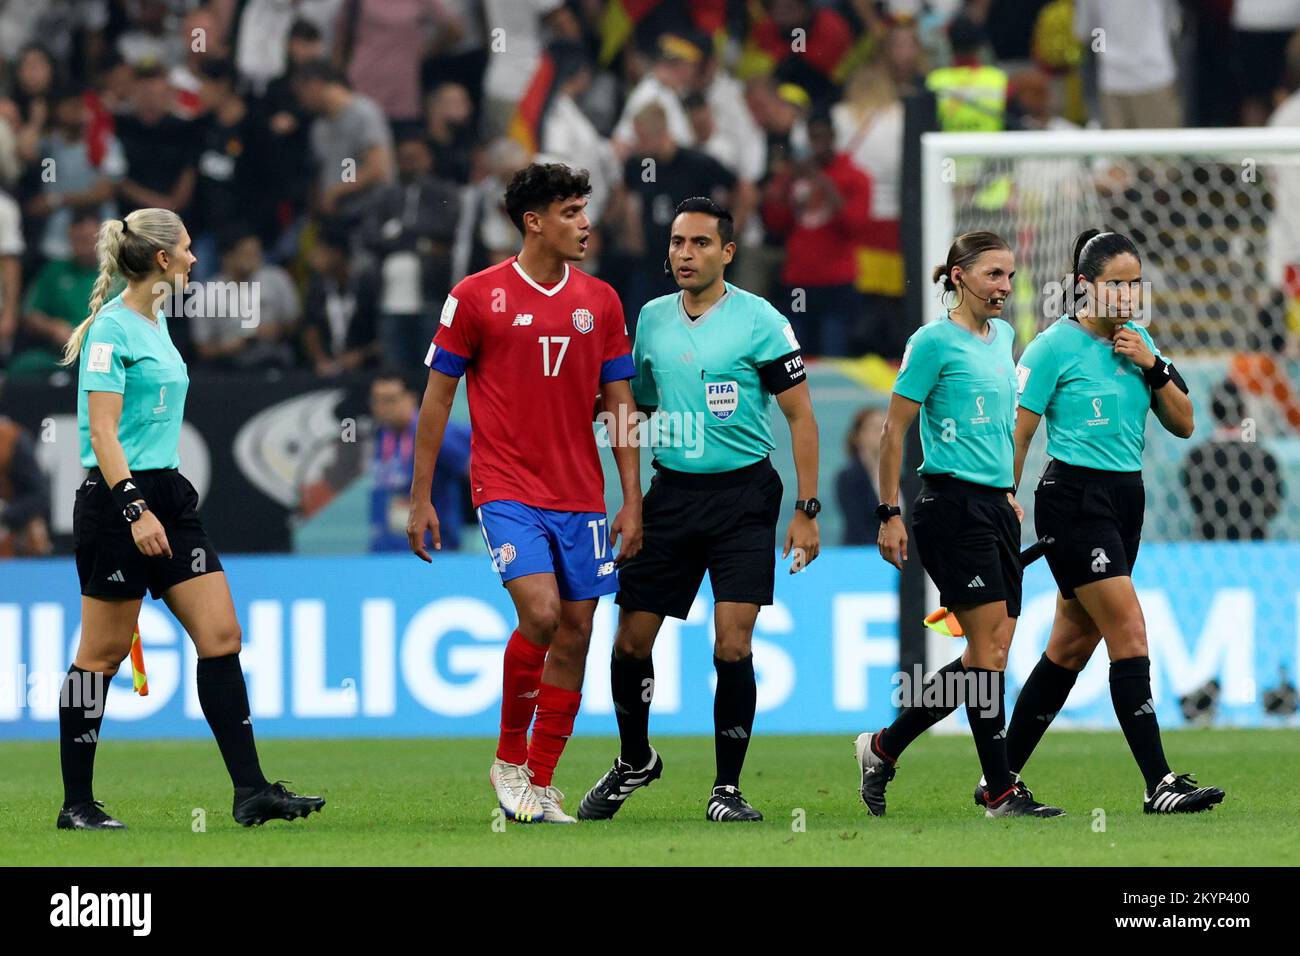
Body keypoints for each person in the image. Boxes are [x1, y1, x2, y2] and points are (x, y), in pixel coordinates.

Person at [55, 208, 324, 829]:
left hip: (171, 498)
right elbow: (100, 430)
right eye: (186, 249)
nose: (196, 259)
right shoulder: (110, 331)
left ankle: (251, 791)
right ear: (162, 260)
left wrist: (156, 502)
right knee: (100, 656)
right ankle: (77, 804)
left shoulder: (157, 322)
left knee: (222, 637)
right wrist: (133, 507)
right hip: (118, 501)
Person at [408, 163, 642, 824]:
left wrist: (632, 497)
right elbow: (436, 399)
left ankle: (538, 782)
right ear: (533, 222)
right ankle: (508, 761)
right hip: (506, 487)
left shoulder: (601, 302)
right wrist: (421, 497)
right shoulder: (476, 297)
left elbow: (619, 404)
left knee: (576, 632)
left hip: (581, 496)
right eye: (570, 212)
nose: (584, 223)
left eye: (584, 210)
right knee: (540, 614)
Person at [577, 197, 820, 824]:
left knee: (731, 646)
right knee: (630, 642)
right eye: (678, 242)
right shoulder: (652, 319)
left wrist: (806, 508)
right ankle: (635, 759)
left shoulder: (762, 320)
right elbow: (642, 406)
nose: (685, 254)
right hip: (673, 495)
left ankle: (727, 790)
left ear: (727, 253)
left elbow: (800, 416)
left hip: (744, 496)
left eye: (700, 244)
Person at [999, 228, 1224, 815]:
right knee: (1131, 631)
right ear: (1084, 287)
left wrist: (1154, 365)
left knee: (1070, 648)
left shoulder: (1139, 343)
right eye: (1115, 284)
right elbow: (1019, 432)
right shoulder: (1052, 347)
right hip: (1073, 500)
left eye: (1134, 283)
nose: (1128, 295)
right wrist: (1004, 496)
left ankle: (998, 779)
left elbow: (1185, 421)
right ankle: (1160, 783)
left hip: (1127, 501)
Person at [860, 231, 1063, 818]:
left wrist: (1007, 490)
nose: (1004, 287)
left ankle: (883, 747)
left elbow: (1000, 426)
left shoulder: (1003, 338)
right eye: (993, 274)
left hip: (995, 508)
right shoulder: (929, 343)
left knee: (989, 650)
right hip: (948, 507)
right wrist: (889, 512)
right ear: (958, 276)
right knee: (987, 650)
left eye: (1009, 276)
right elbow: (893, 431)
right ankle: (999, 790)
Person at [368, 369, 470, 553]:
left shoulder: (436, 433)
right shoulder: (381, 434)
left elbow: (477, 467)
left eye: (390, 400)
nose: (382, 408)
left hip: (432, 552)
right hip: (385, 552)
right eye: (377, 400)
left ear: (411, 398)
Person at [1181, 379, 1284, 541]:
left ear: (1212, 411)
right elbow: (1273, 505)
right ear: (1243, 410)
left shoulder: (1196, 459)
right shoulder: (1263, 458)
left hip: (1210, 542)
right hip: (1254, 542)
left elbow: (1195, 502)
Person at [836, 407, 885, 546]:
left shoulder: (904, 477)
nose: (882, 433)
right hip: (863, 555)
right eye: (876, 428)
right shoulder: (847, 478)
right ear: (858, 435)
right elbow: (857, 523)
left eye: (886, 427)